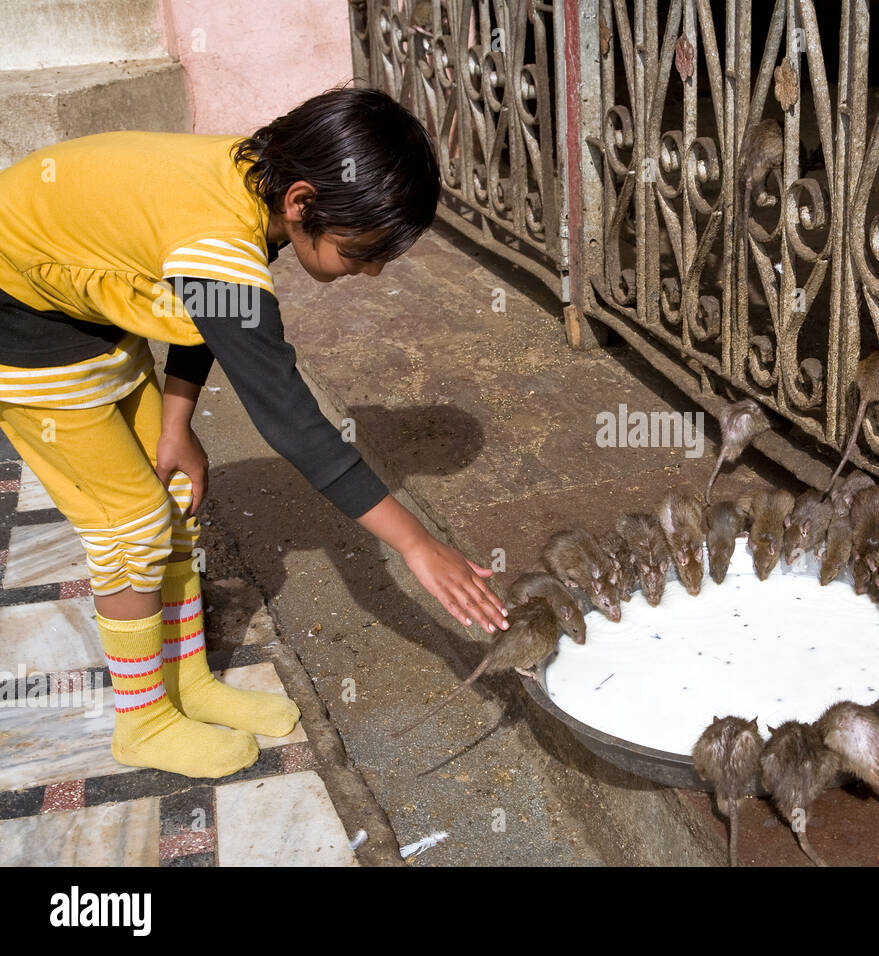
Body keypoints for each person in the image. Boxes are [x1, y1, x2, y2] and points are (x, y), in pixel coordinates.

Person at [0, 87, 508, 779]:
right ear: (301, 203)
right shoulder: (221, 242)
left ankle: (187, 682)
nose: (371, 271)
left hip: (78, 295)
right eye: (362, 251)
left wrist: (177, 423)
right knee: (131, 529)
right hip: (19, 320)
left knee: (172, 497)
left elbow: (202, 309)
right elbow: (292, 422)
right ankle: (142, 721)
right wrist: (416, 544)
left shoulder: (248, 184)